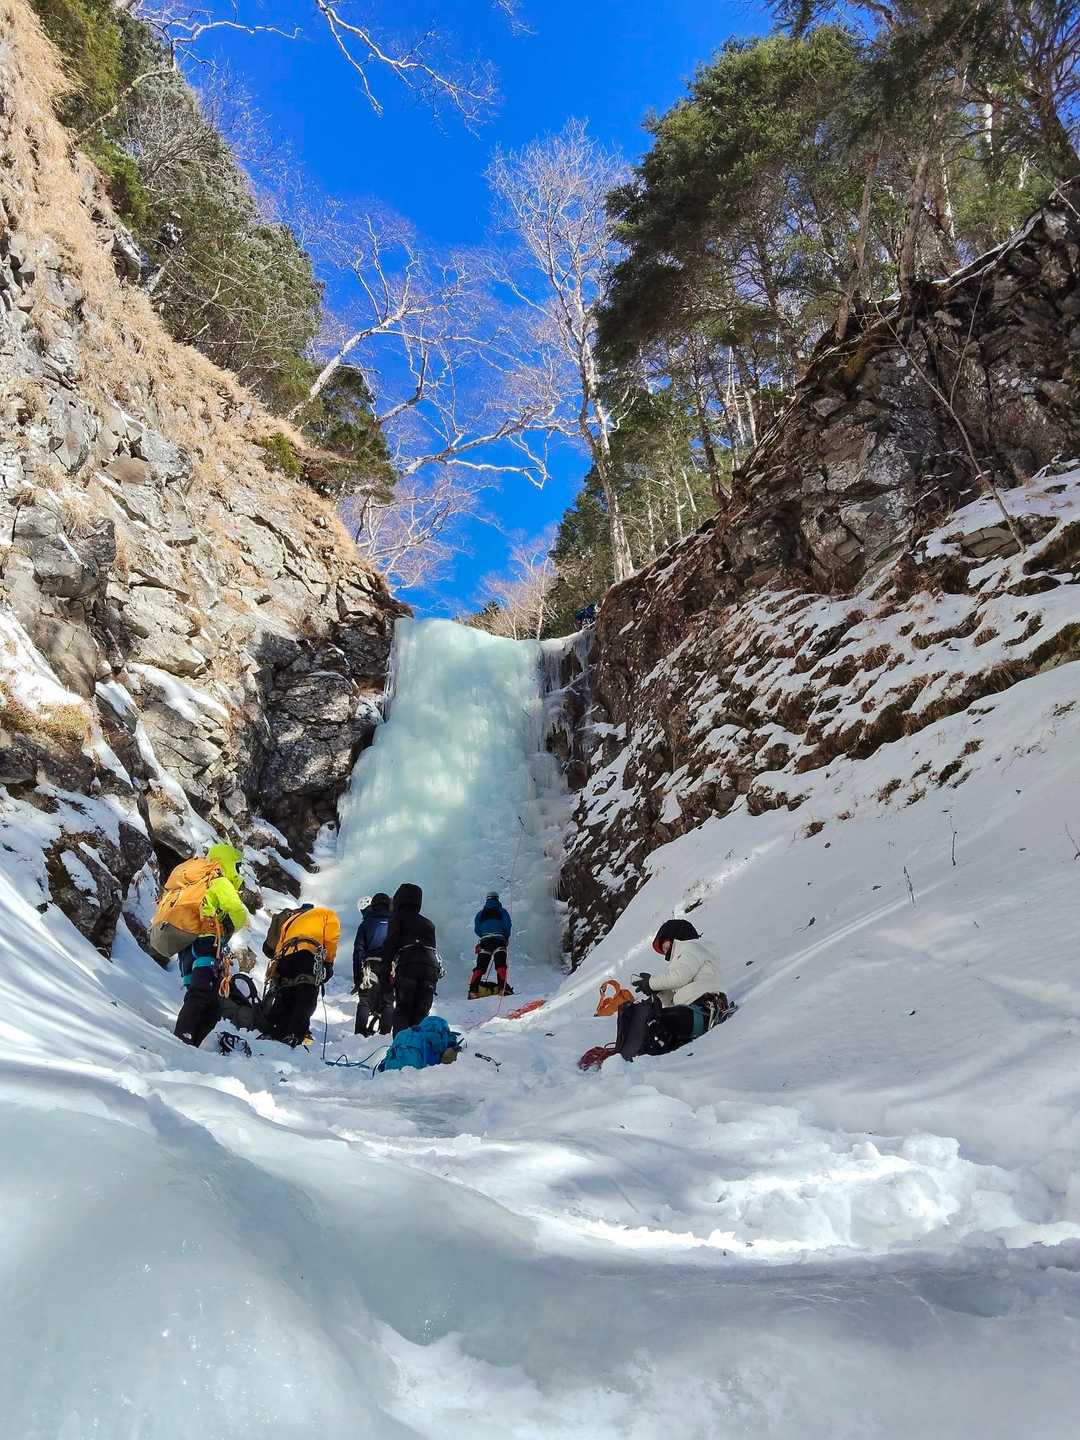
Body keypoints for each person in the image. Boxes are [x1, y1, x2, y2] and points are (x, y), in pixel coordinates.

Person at [158, 843, 250, 1049]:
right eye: (237, 866)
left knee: (207, 998)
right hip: (207, 944)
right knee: (203, 995)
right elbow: (238, 913)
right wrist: (228, 928)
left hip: (188, 948)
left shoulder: (196, 884)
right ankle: (183, 1041)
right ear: (228, 862)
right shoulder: (220, 883)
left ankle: (189, 1045)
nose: (238, 871)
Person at [614, 918, 729, 1063]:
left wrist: (651, 983)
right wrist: (658, 992)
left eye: (664, 943)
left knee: (654, 1021)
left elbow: (679, 978)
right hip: (695, 1014)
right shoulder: (684, 959)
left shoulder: (691, 947)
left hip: (705, 1008)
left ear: (675, 935)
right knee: (655, 1022)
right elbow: (672, 1000)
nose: (663, 949)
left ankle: (628, 1058)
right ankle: (634, 1056)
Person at [261, 903, 341, 1047]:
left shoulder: (291, 919)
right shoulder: (326, 913)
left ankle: (273, 1031)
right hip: (308, 954)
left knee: (285, 994)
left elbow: (279, 943)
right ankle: (295, 1034)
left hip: (285, 956)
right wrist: (328, 963)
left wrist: (277, 967)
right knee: (306, 995)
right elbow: (331, 939)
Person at [385, 883, 440, 1035]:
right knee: (421, 1012)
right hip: (430, 971)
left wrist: (384, 977)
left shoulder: (397, 918)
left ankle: (401, 1050)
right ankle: (417, 1050)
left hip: (408, 966)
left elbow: (390, 945)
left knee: (403, 1009)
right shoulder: (429, 924)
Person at [353, 892, 393, 1036]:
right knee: (388, 1001)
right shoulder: (395, 922)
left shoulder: (366, 923)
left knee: (364, 1001)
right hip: (390, 965)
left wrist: (357, 977)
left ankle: (359, 1035)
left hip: (370, 965)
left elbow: (358, 951)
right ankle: (385, 1035)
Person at [468, 890, 513, 998]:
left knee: (480, 967)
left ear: (487, 899)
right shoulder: (502, 911)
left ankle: (473, 991)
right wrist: (506, 937)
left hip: (485, 941)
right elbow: (507, 925)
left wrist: (484, 936)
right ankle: (503, 988)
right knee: (500, 965)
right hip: (499, 940)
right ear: (497, 899)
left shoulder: (480, 913)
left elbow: (477, 929)